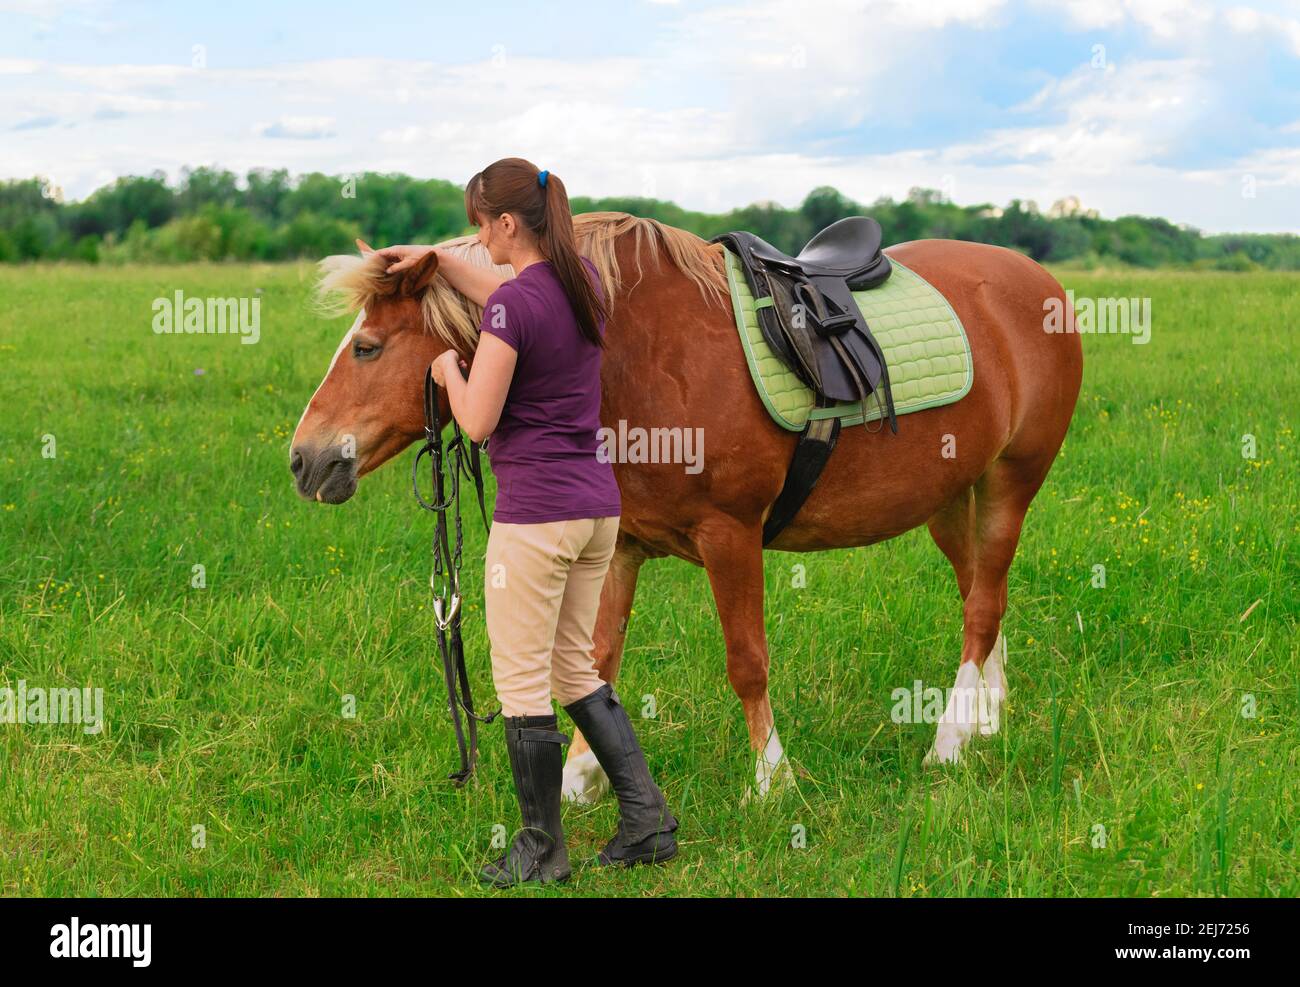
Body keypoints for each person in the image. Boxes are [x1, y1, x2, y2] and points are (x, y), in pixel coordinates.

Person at [373, 158, 677, 887]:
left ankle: (542, 847)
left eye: (481, 223)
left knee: (522, 683)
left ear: (508, 223)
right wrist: (442, 261)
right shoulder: (583, 286)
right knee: (574, 667)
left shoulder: (514, 310)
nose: (479, 236)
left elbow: (477, 423)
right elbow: (509, 295)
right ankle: (647, 820)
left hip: (535, 519)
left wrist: (446, 370)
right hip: (596, 509)